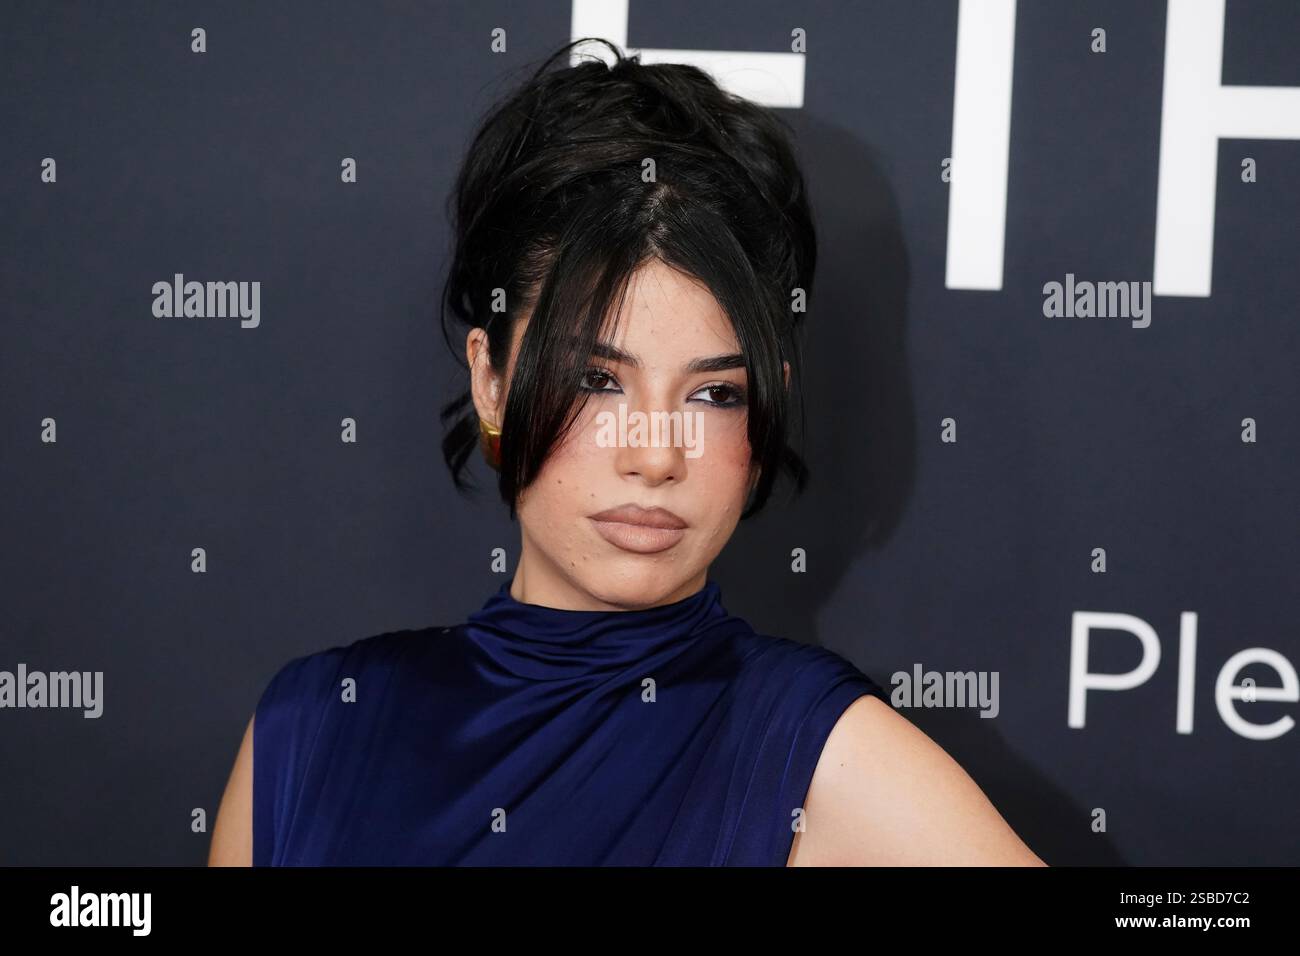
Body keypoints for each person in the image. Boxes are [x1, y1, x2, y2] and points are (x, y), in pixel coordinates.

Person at [209, 37, 1045, 866]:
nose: (655, 456)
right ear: (491, 380)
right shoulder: (311, 728)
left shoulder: (816, 753)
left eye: (715, 394)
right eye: (597, 380)